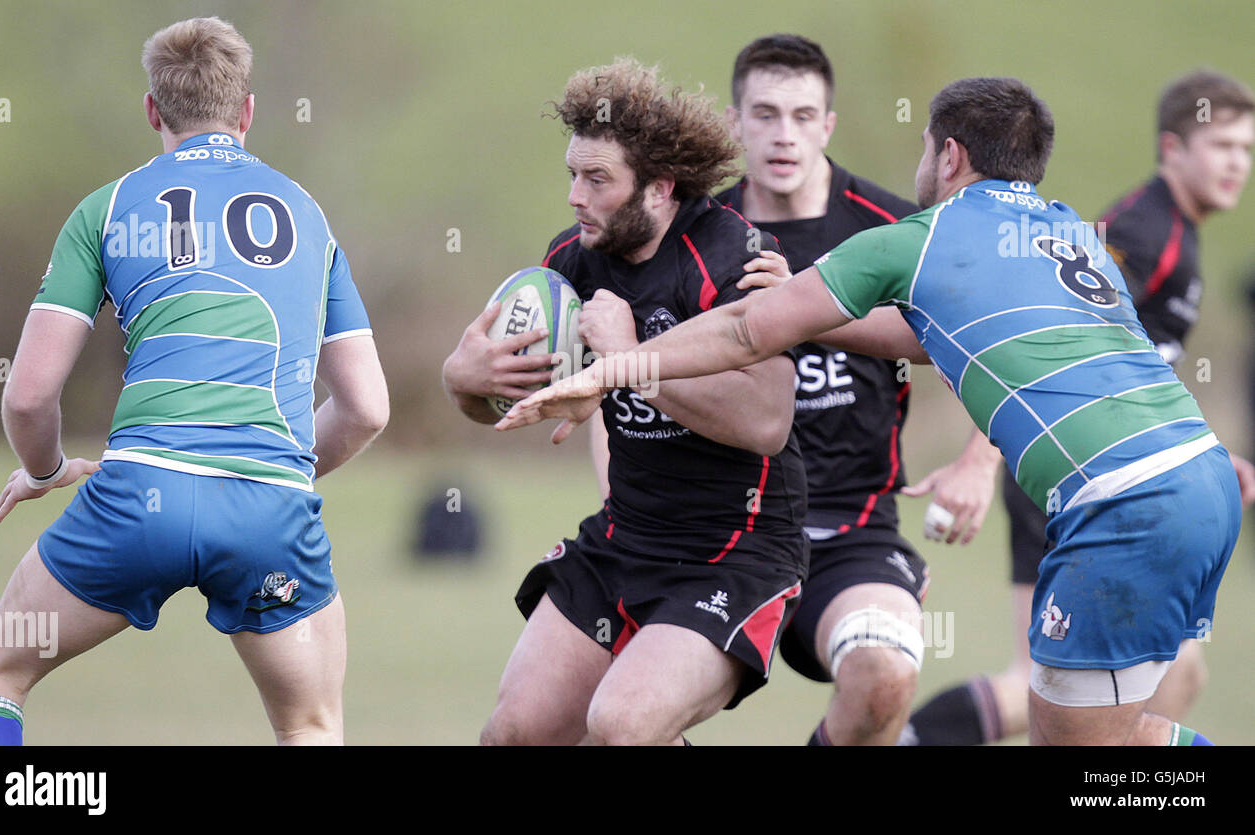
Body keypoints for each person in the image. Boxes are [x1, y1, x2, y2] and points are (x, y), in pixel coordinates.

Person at [502, 76, 1242, 746]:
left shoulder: (919, 239)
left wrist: (625, 360)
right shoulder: (1062, 234)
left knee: (1084, 747)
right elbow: (916, 337)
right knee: (1083, 736)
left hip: (1121, 501)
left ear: (948, 155)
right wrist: (805, 303)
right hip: (1200, 478)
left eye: (924, 144)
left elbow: (743, 330)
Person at [0, 17, 388, 746]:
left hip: (137, 498)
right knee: (310, 725)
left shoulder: (107, 208)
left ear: (152, 110)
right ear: (247, 110)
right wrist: (269, 471)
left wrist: (47, 469)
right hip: (269, 510)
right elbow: (367, 408)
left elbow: (28, 395)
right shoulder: (310, 217)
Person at [443, 58, 808, 745]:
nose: (576, 196)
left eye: (598, 180)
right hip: (626, 539)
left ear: (661, 187)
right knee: (513, 733)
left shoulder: (736, 255)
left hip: (736, 551)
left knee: (623, 722)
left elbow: (767, 419)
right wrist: (463, 380)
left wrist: (628, 361)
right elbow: (494, 406)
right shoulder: (571, 266)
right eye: (572, 175)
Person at [904, 69, 1255, 746]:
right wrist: (980, 457)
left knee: (1171, 679)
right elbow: (1040, 335)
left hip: (1125, 477)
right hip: (1082, 481)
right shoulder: (1147, 235)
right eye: (1222, 146)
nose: (1237, 164)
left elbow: (1131, 377)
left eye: (1247, 149)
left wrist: (1206, 452)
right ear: (1172, 150)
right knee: (1055, 691)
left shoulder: (1178, 234)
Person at [702, 34, 1001, 746]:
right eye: (765, 114)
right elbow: (636, 359)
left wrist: (979, 459)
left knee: (884, 676)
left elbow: (1003, 340)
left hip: (851, 534)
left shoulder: (895, 228)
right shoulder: (697, 235)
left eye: (804, 116)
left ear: (829, 125)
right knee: (588, 715)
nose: (784, 134)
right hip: (711, 531)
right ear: (735, 121)